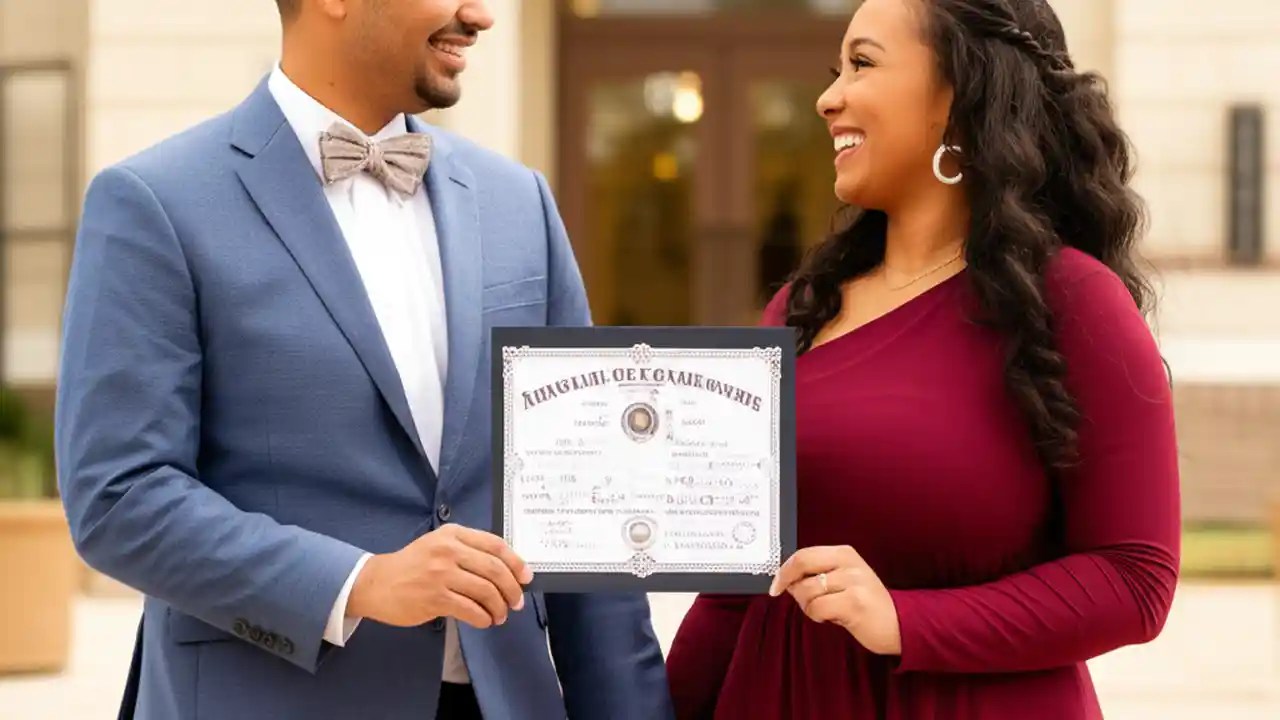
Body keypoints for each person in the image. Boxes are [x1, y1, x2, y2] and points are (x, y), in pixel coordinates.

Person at [55, 1, 672, 719]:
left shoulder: (520, 202)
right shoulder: (154, 203)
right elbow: (119, 497)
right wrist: (360, 583)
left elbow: (587, 498)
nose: (478, 15)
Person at [665, 0, 1180, 718]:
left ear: (961, 95)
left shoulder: (1073, 302)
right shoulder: (799, 310)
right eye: (835, 68)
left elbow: (1135, 581)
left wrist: (907, 622)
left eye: (862, 64)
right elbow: (729, 595)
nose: (828, 97)